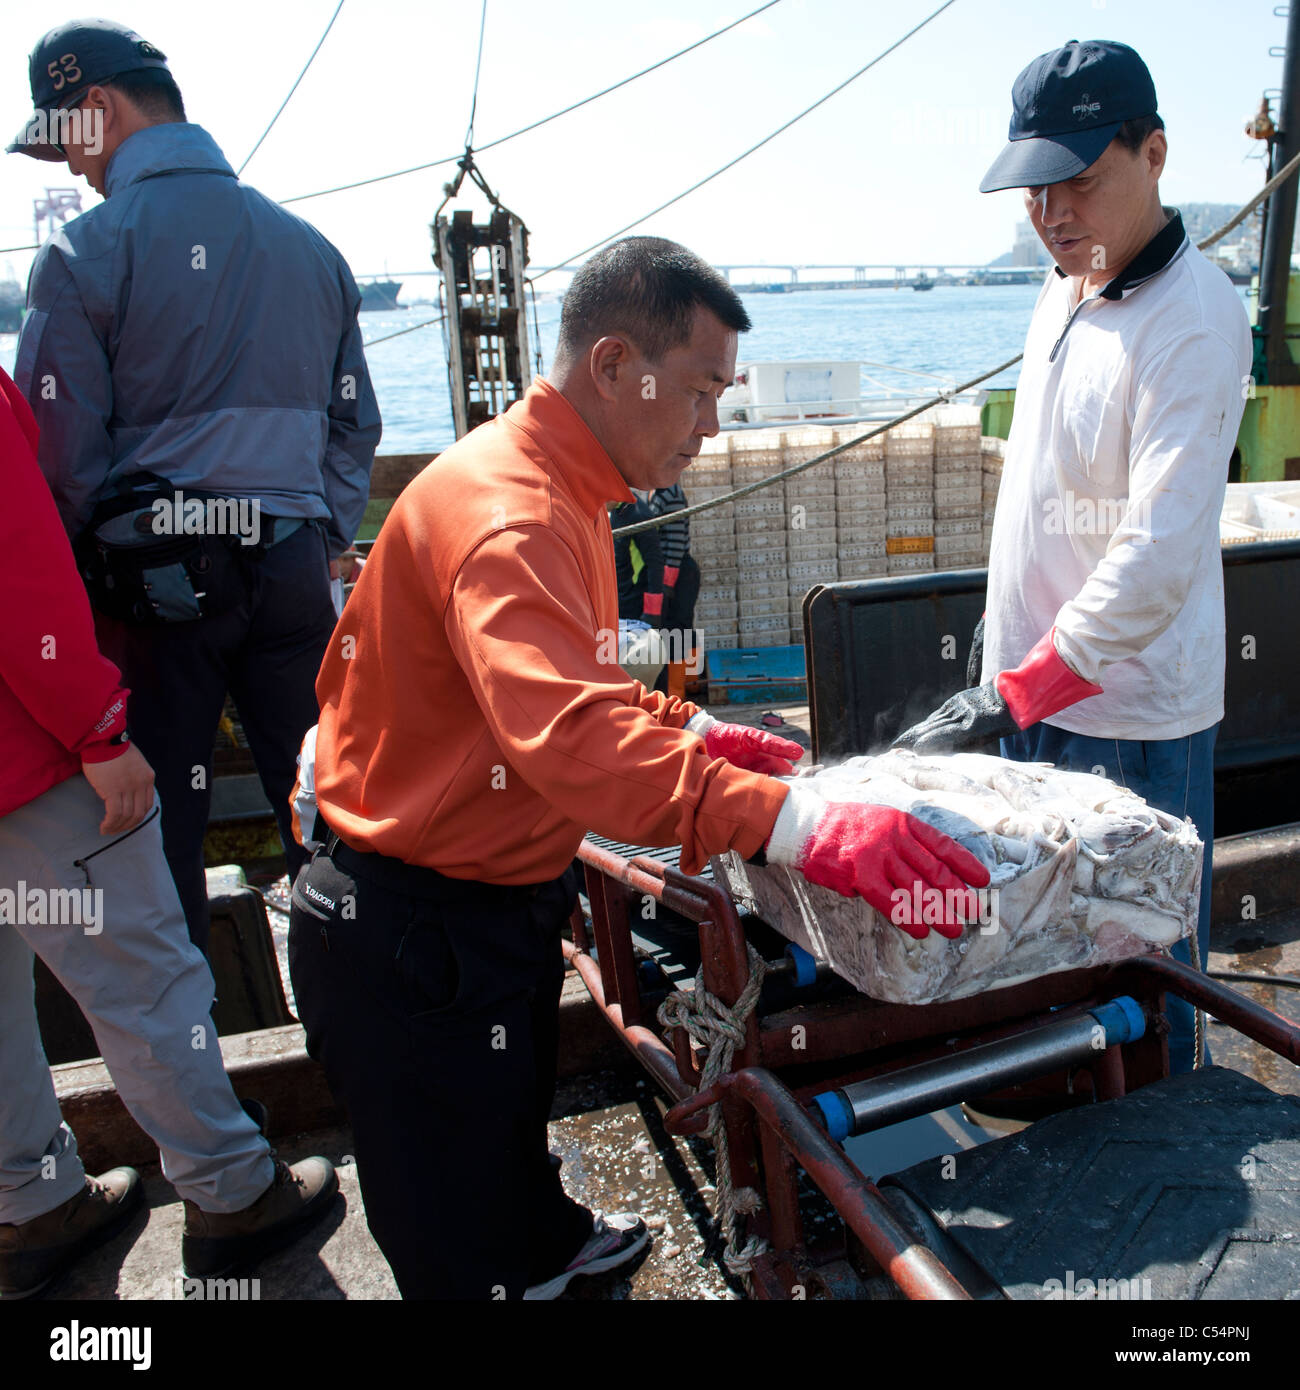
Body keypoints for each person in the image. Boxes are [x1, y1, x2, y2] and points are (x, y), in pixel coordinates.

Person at [288, 235, 990, 1300]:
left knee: (506, 1121)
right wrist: (793, 824)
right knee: (448, 1220)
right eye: (703, 392)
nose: (712, 428)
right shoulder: (514, 515)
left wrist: (694, 731)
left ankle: (546, 1243)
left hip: (489, 898)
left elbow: (569, 686)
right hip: (412, 924)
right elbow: (569, 741)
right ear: (616, 365)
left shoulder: (559, 488)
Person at [894, 41, 1252, 1073]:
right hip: (1031, 698)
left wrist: (1019, 691)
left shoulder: (1193, 320)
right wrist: (1004, 679)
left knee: (1144, 977)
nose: (1052, 212)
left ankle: (1169, 1152)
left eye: (1080, 180)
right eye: (1034, 188)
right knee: (1045, 969)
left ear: (1155, 154)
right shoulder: (1065, 287)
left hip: (1128, 723)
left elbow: (1156, 553)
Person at [8, 18, 381, 955]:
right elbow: (355, 426)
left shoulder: (86, 255)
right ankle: (361, 1013)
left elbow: (56, 467)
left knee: (152, 826)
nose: (68, 170)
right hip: (297, 571)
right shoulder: (312, 249)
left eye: (64, 142)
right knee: (327, 799)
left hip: (157, 592)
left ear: (97, 108)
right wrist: (311, 522)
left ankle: (192, 1064)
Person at [0, 366, 337, 1300]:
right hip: (29, 755)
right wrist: (97, 726)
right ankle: (232, 1193)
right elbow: (20, 567)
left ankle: (31, 1205)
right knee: (142, 981)